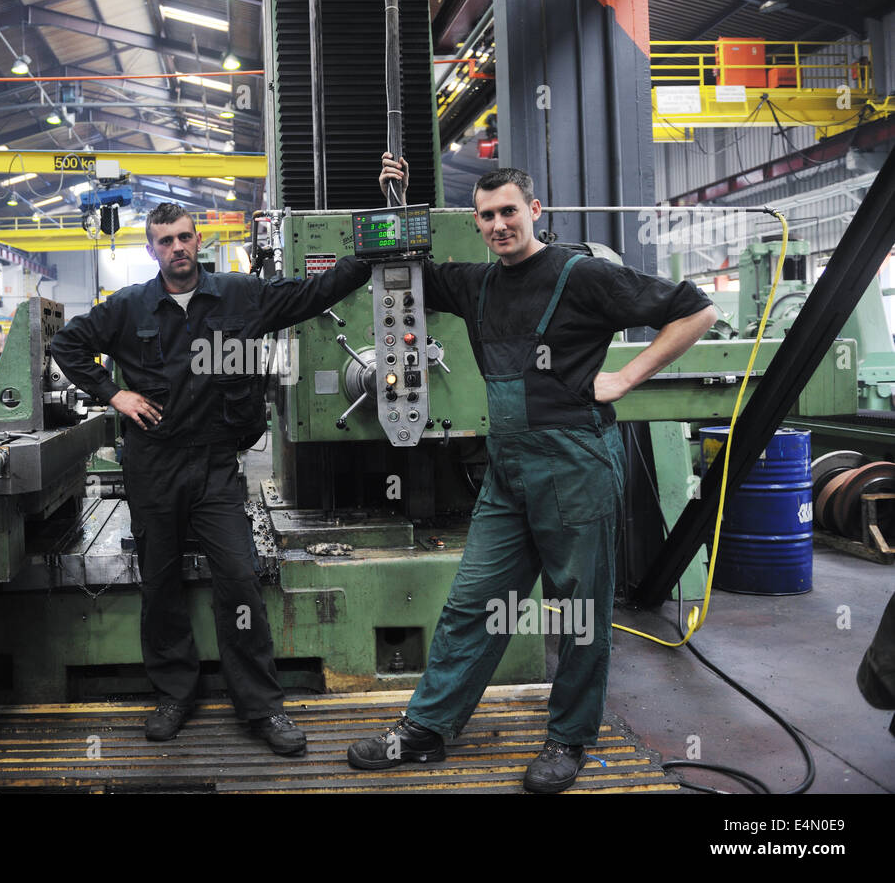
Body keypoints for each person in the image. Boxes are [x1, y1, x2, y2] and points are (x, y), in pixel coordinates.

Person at [346, 155, 717, 791]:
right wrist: (398, 196)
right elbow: (400, 264)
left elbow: (695, 309)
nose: (498, 224)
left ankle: (568, 740)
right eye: (487, 216)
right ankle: (428, 728)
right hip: (508, 473)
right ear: (477, 222)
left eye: (509, 211)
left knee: (576, 613)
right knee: (474, 603)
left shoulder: (584, 275)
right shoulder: (476, 285)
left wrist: (626, 377)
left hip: (575, 466)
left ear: (534, 210)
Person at [51, 202, 371, 755]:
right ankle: (175, 693)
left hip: (217, 466)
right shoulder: (127, 308)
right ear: (151, 250)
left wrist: (371, 252)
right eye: (165, 241)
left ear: (198, 241)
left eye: (184, 237)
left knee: (239, 579)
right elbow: (67, 345)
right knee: (161, 580)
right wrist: (114, 394)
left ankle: (262, 707)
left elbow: (312, 295)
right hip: (152, 465)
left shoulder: (242, 295)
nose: (177, 248)